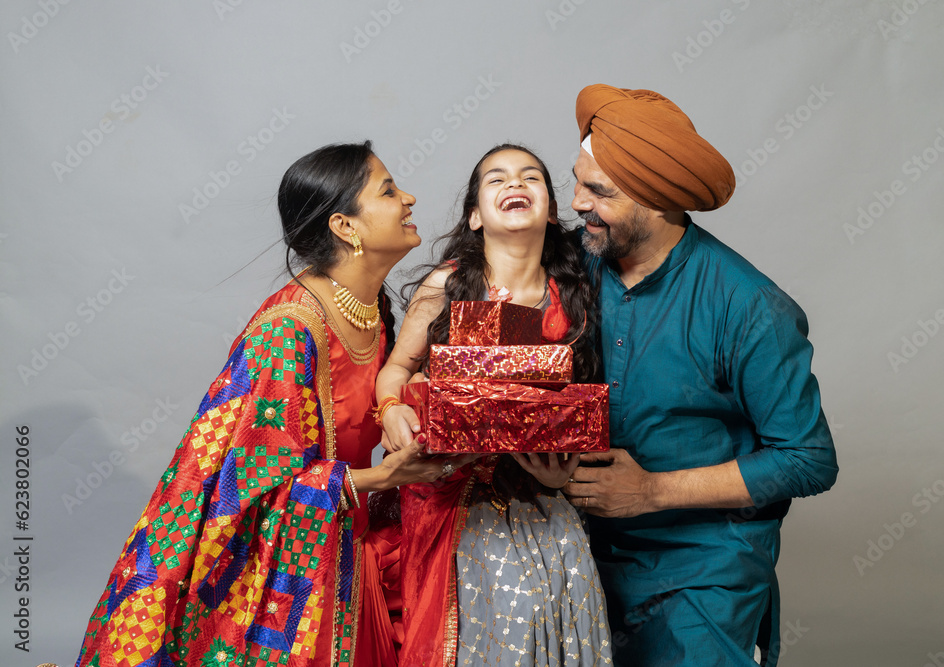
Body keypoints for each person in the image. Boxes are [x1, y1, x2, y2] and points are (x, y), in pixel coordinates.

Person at [74, 141, 455, 667]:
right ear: (346, 226)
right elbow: (251, 487)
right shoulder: (289, 330)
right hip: (292, 578)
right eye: (388, 190)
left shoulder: (376, 310)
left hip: (351, 550)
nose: (408, 198)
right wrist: (382, 478)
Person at [561, 85, 839, 666]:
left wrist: (653, 491)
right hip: (577, 554)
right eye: (577, 180)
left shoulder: (749, 306)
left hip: (702, 568)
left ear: (657, 200)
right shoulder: (569, 265)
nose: (577, 201)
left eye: (599, 191)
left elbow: (808, 459)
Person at [375, 144, 613, 666]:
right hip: (459, 501)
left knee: (558, 621)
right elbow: (395, 370)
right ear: (475, 216)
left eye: (531, 177)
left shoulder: (573, 296)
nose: (515, 184)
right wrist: (392, 407)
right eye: (496, 179)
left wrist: (561, 476)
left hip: (546, 504)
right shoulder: (447, 286)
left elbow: (573, 412)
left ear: (552, 211)